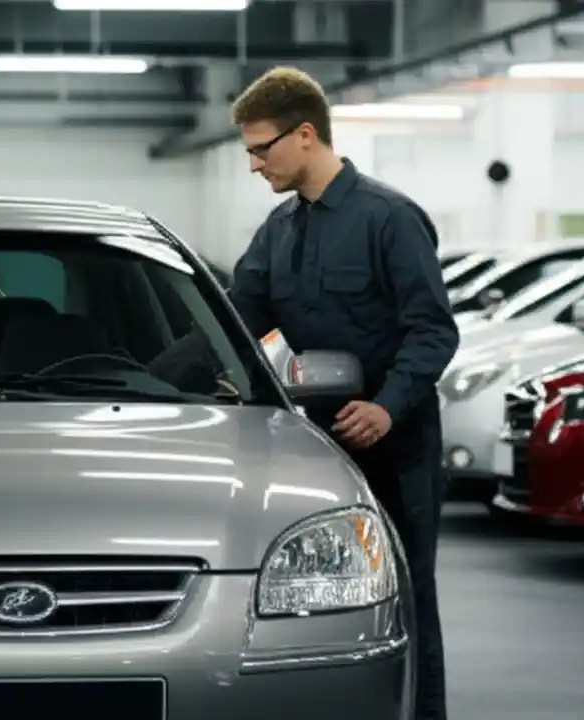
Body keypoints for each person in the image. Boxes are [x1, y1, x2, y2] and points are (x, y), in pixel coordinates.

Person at [227, 67, 459, 719]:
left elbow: (432, 331)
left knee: (408, 596)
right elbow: (237, 315)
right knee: (317, 599)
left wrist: (388, 405)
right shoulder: (279, 230)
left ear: (305, 135)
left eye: (260, 147)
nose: (252, 164)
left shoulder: (390, 219)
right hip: (314, 451)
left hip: (396, 443)